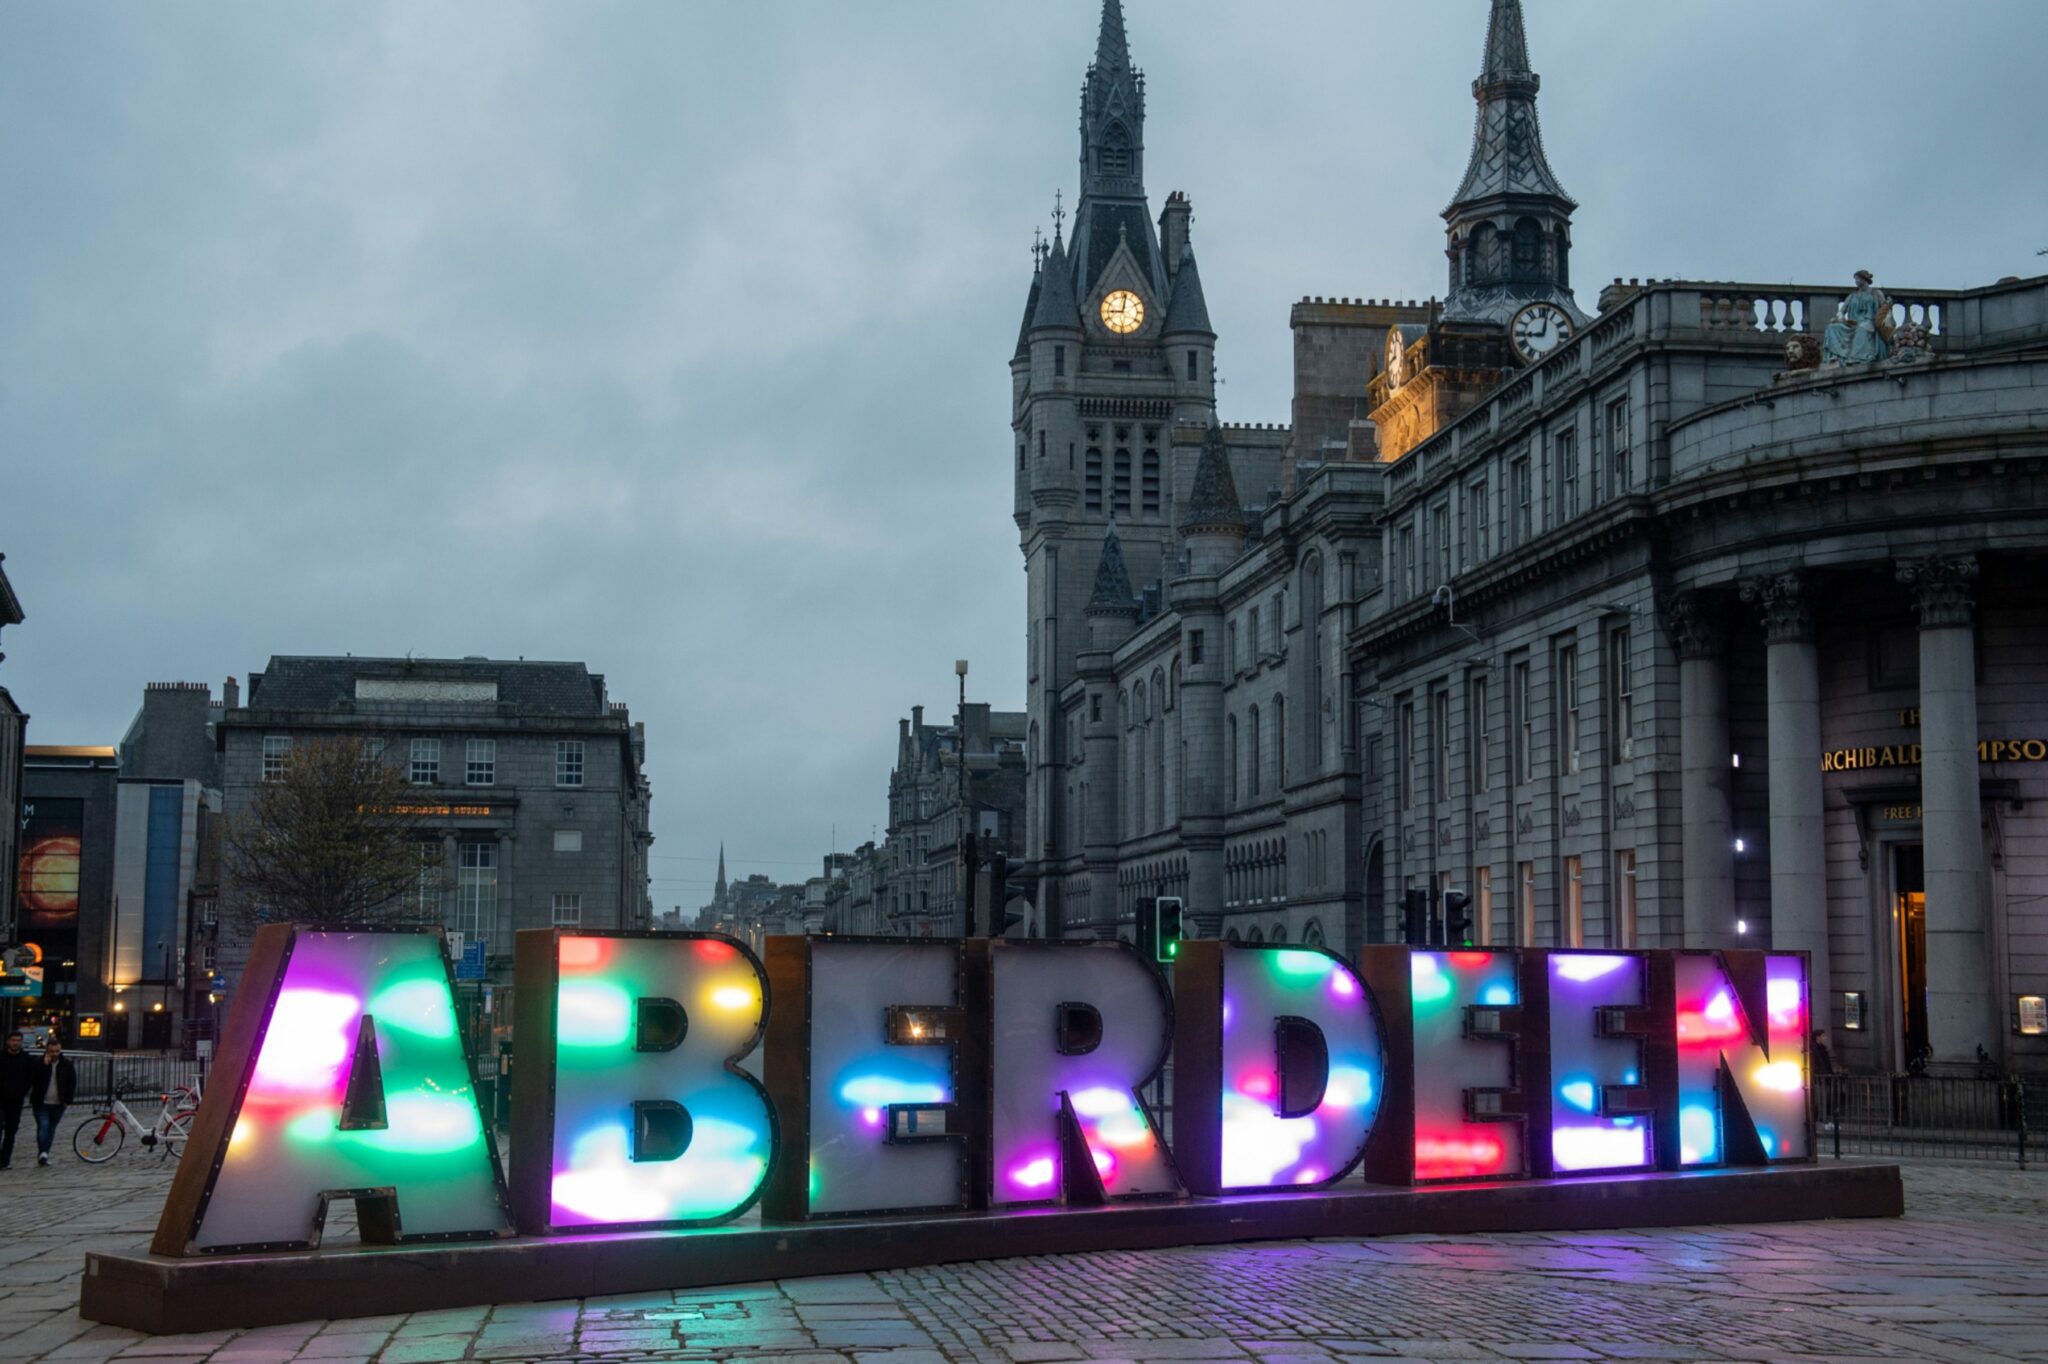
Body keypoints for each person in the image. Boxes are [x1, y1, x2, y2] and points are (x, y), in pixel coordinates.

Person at [29, 1038, 76, 1167]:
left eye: (57, 1051)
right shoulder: (38, 1063)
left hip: (58, 1103)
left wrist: (68, 1101)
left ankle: (44, 1153)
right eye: (52, 1051)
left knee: (51, 1129)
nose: (55, 1054)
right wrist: (43, 1066)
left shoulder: (66, 1064)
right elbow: (32, 1079)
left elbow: (71, 1083)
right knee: (43, 1126)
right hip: (41, 1102)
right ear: (47, 1051)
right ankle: (43, 1153)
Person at [0, 1031, 34, 1169]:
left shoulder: (26, 1058)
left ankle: (5, 1160)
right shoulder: (1, 1057)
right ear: (8, 1041)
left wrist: (22, 1091)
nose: (15, 1043)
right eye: (13, 1040)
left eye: (18, 1040)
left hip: (16, 1099)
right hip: (1, 1098)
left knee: (11, 1131)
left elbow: (30, 1078)